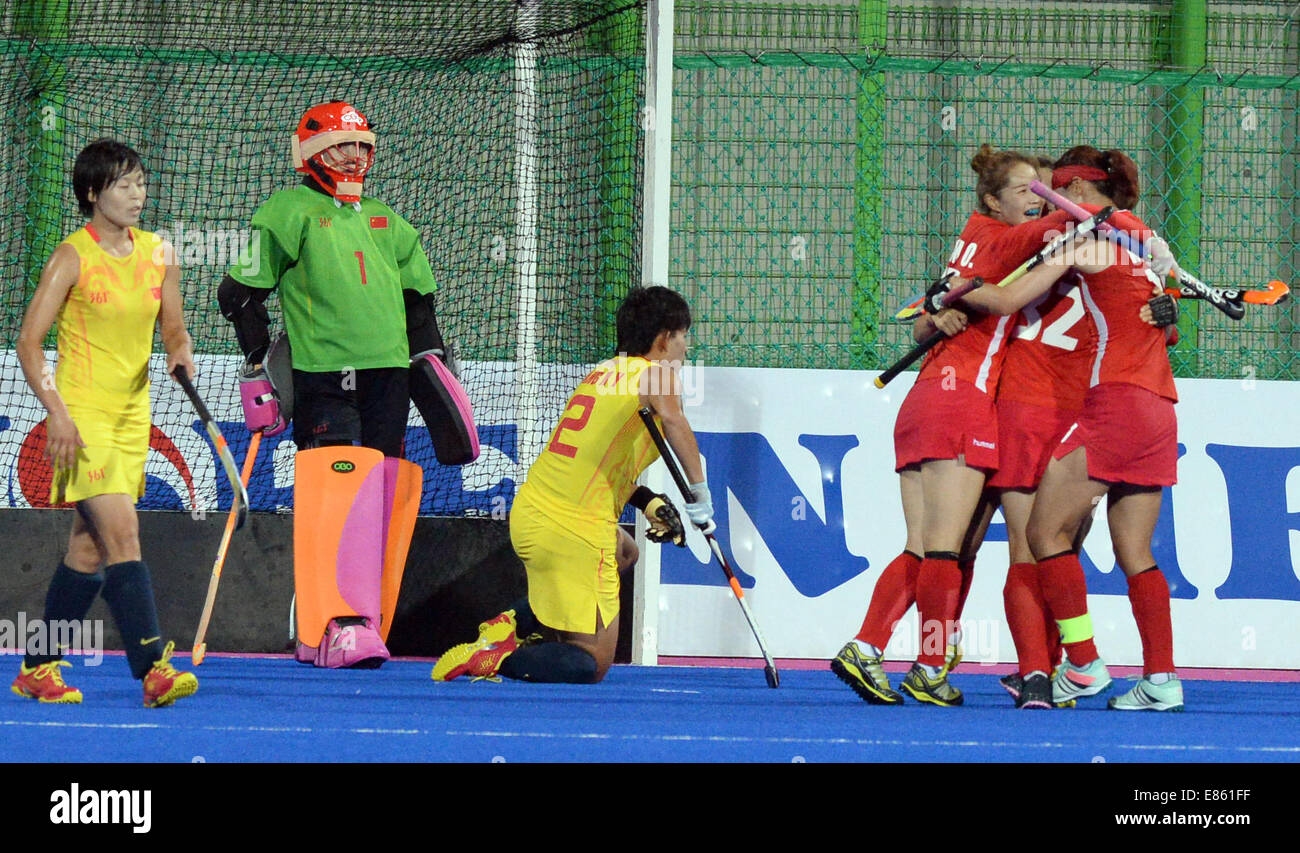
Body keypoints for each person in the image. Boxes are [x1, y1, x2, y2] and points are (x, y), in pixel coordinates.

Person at [218, 101, 468, 668]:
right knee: (336, 493)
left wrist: (437, 375)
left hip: (390, 377)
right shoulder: (287, 212)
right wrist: (257, 367)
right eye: (341, 145)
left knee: (378, 495)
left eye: (363, 145)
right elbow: (237, 293)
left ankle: (357, 622)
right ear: (310, 153)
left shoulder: (389, 222)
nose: (355, 155)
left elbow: (418, 309)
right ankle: (329, 623)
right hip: (323, 377)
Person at [832, 145, 1079, 707]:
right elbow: (1064, 227)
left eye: (1041, 191)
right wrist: (1104, 218)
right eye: (1027, 191)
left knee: (923, 546)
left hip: (922, 402)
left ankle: (871, 646)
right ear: (992, 199)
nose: (1039, 201)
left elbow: (923, 329)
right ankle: (924, 666)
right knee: (944, 551)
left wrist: (940, 309)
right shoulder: (1004, 237)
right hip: (964, 404)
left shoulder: (970, 239)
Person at [431, 286, 704, 684]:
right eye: (683, 335)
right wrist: (701, 498)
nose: (686, 345)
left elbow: (594, 463)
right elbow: (676, 423)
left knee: (624, 551)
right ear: (664, 338)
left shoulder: (604, 373)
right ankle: (495, 658)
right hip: (571, 530)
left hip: (533, 514)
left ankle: (509, 623)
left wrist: (646, 502)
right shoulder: (657, 375)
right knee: (593, 661)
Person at [12, 139, 198, 707]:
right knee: (123, 535)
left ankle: (38, 667)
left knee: (89, 552)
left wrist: (179, 352)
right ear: (93, 194)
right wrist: (57, 413)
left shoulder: (159, 253)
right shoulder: (71, 256)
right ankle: (154, 668)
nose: (137, 193)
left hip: (131, 416)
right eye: (123, 184)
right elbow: (28, 344)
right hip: (81, 415)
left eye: (140, 182)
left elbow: (174, 329)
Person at [1023, 146, 1184, 711]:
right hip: (1160, 408)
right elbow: (1166, 322)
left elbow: (1015, 292)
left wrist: (969, 290)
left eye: (1055, 195)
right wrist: (1172, 306)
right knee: (1136, 551)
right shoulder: (1147, 248)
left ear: (1077, 195)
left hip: (1113, 404)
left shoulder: (1088, 243)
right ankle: (1161, 680)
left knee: (1046, 535)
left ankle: (1085, 663)